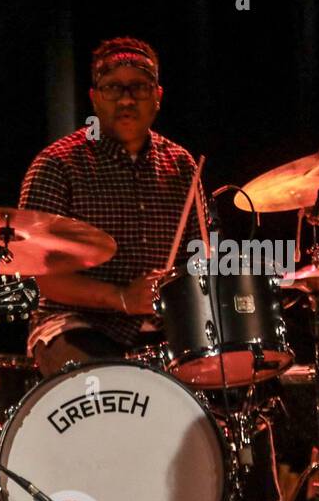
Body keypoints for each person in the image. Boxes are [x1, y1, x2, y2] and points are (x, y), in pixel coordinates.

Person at [18, 36, 204, 377]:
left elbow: (200, 259)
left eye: (139, 87)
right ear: (94, 98)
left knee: (236, 382)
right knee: (111, 393)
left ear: (158, 96)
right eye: (112, 88)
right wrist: (120, 297)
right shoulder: (57, 164)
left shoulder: (182, 165)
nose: (127, 99)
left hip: (164, 331)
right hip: (75, 323)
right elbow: (40, 277)